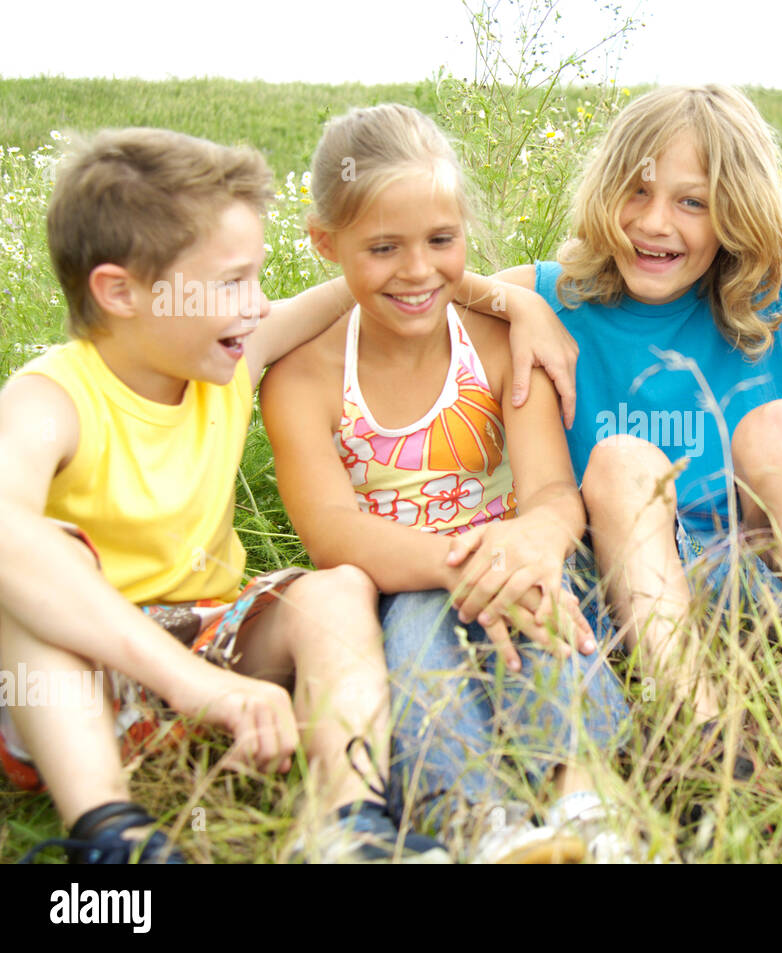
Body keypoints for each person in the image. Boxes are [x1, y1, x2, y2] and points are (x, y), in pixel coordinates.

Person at [0, 127, 447, 864]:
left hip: (206, 639)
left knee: (338, 588)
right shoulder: (51, 399)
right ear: (120, 291)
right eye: (232, 281)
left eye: (259, 277)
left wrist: (515, 301)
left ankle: (350, 819)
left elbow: (384, 283)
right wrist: (195, 686)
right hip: (67, 677)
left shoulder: (230, 357)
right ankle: (113, 833)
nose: (258, 303)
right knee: (31, 551)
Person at [260, 104, 633, 863]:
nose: (419, 270)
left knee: (544, 603)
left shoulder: (497, 345)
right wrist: (463, 561)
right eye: (384, 247)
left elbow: (554, 496)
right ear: (327, 244)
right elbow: (331, 532)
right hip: (403, 585)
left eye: (441, 240)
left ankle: (587, 798)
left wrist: (528, 543)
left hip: (523, 565)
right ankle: (471, 815)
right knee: (417, 625)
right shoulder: (304, 376)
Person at [493, 85, 782, 744]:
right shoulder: (552, 294)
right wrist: (515, 305)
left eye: (693, 202)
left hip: (746, 588)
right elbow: (413, 281)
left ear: (735, 216)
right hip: (614, 593)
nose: (655, 223)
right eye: (636, 191)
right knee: (623, 460)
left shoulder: (762, 286)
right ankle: (699, 734)